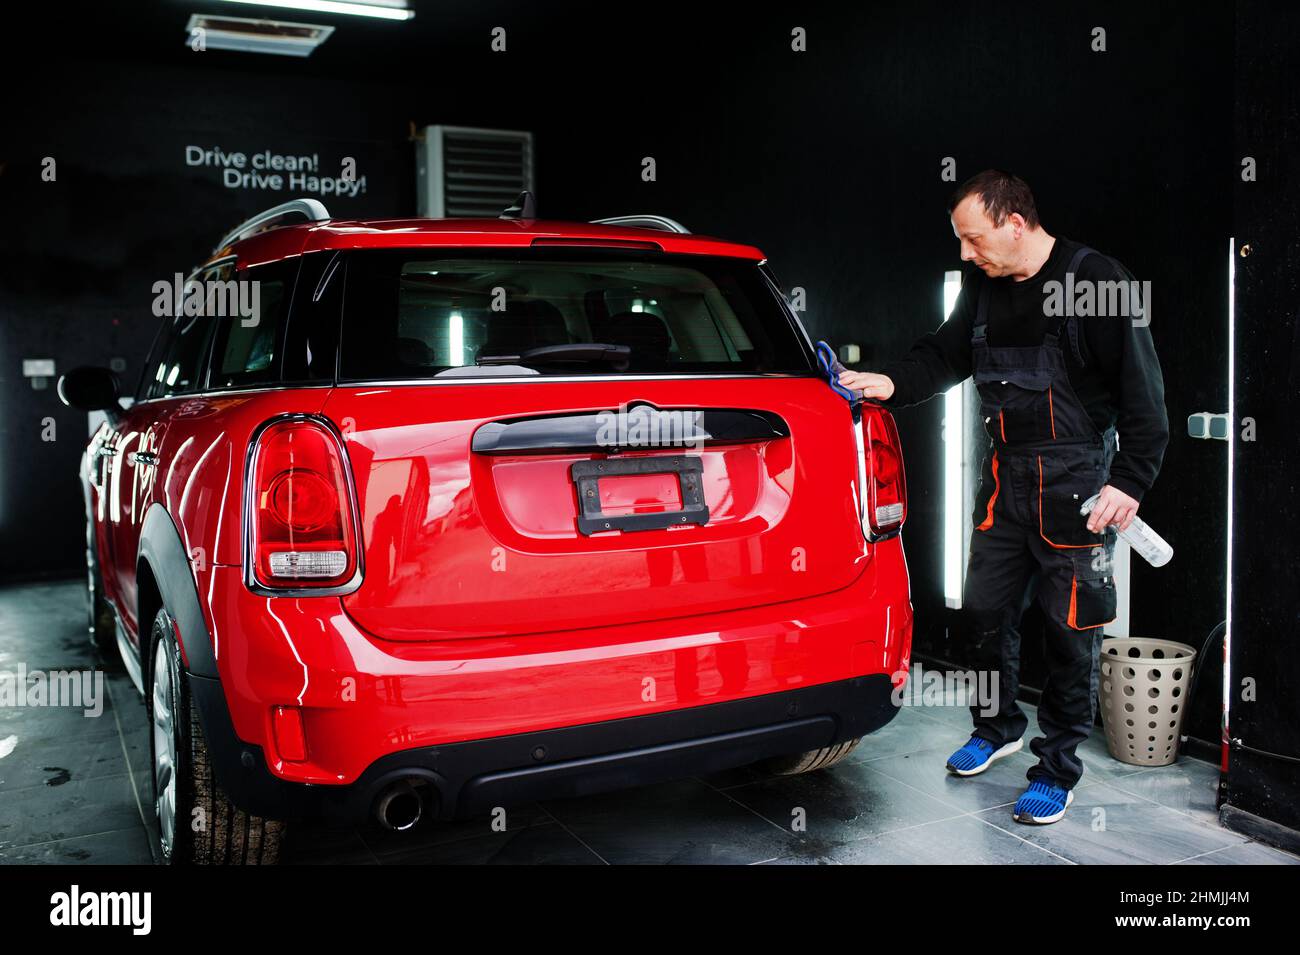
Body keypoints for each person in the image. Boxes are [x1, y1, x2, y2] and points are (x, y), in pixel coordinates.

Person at [839, 169, 1169, 824]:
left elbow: (1145, 397)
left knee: (1071, 630)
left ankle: (1057, 765)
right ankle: (996, 726)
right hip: (1004, 480)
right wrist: (886, 382)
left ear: (1015, 223)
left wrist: (1128, 482)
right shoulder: (985, 288)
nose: (966, 253)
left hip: (1077, 484)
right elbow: (942, 356)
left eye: (973, 238)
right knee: (984, 611)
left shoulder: (1097, 282)